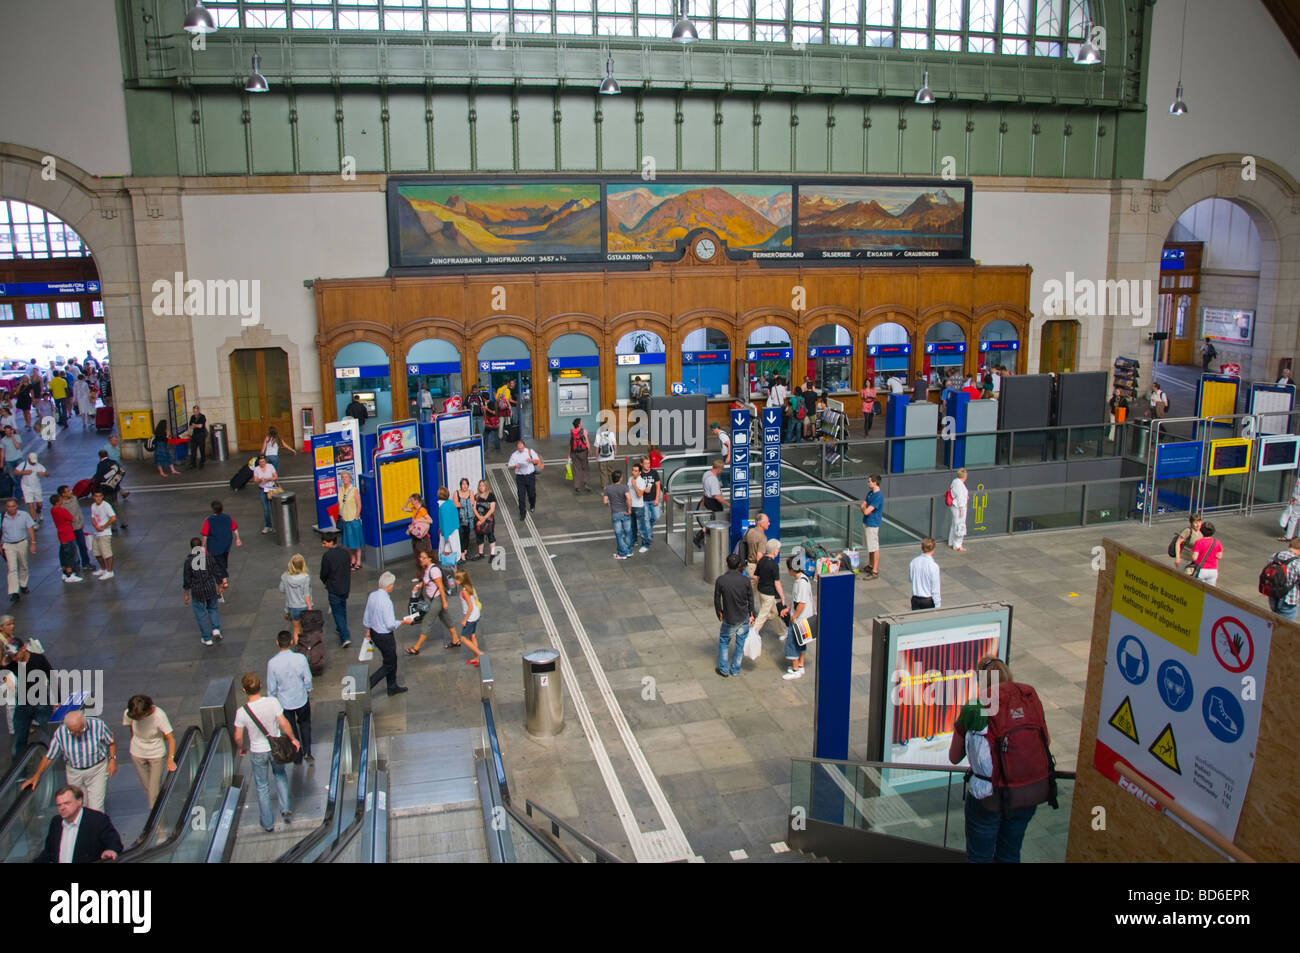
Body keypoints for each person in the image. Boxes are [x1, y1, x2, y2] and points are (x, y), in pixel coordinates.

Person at [948, 656, 1046, 863]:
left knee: (979, 857)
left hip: (989, 796)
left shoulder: (976, 707)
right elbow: (1046, 740)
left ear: (981, 680)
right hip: (1027, 793)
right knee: (1009, 855)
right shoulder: (1029, 696)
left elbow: (954, 757)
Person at [232, 672, 300, 831]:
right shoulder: (272, 702)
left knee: (262, 786)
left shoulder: (242, 712)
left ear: (244, 690)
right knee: (280, 774)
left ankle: (268, 823)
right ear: (260, 686)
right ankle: (285, 809)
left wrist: (242, 748)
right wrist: (292, 739)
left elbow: (237, 736)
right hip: (276, 747)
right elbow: (283, 723)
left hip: (257, 751)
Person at [20, 710, 118, 813]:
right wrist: (36, 776)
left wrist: (112, 760)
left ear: (84, 723)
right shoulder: (60, 733)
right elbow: (49, 756)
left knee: (96, 808)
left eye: (80, 730)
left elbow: (111, 741)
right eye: (73, 732)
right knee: (78, 806)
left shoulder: (98, 725)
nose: (77, 734)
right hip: (74, 773)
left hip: (97, 769)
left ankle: (96, 826)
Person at [35, 785, 123, 863]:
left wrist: (111, 850)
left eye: (67, 803)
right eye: (59, 805)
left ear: (79, 801)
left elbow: (114, 842)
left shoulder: (97, 820)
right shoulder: (56, 822)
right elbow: (49, 852)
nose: (62, 808)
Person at [363, 572, 416, 697]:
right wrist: (404, 621)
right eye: (392, 584)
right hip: (385, 636)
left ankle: (392, 686)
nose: (393, 586)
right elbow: (390, 624)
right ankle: (368, 685)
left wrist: (368, 629)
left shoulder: (372, 596)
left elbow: (367, 616)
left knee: (391, 659)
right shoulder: (386, 602)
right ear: (389, 586)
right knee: (389, 664)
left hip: (375, 633)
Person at [267, 630, 314, 765]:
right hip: (301, 697)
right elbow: (307, 678)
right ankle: (308, 752)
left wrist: (272, 699)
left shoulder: (272, 663)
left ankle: (297, 755)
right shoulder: (300, 658)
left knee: (290, 728)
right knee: (305, 725)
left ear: (277, 643)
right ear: (291, 642)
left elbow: (271, 686)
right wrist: (308, 689)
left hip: (284, 701)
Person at [122, 695, 176, 806]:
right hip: (137, 752)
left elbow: (171, 738)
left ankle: (157, 822)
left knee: (153, 792)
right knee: (148, 789)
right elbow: (131, 727)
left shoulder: (159, 715)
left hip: (156, 754)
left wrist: (171, 759)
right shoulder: (130, 712)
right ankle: (161, 816)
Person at [406, 549, 462, 655]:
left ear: (430, 559)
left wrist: (444, 602)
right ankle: (455, 639)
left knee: (427, 622)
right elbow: (427, 580)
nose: (420, 560)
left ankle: (416, 648)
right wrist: (420, 585)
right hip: (433, 598)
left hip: (438, 599)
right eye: (420, 557)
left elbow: (440, 586)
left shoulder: (434, 570)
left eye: (423, 558)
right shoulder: (427, 568)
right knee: (445, 617)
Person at [3, 637, 52, 758]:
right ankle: (19, 773)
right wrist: (5, 661)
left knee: (53, 735)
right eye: (12, 656)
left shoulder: (38, 659)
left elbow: (52, 677)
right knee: (19, 740)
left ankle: (60, 761)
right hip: (22, 705)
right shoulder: (12, 663)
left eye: (16, 654)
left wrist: (58, 700)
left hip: (41, 703)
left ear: (24, 647)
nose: (15, 658)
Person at [713, 553, 756, 678]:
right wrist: (751, 613)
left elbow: (717, 599)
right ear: (739, 566)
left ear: (727, 564)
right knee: (740, 644)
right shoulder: (745, 580)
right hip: (743, 616)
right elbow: (750, 598)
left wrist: (719, 612)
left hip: (729, 616)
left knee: (724, 641)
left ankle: (724, 669)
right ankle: (735, 669)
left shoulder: (721, 580)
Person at [183, 537, 223, 645]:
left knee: (201, 614)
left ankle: (207, 638)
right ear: (202, 546)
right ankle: (216, 629)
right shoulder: (209, 558)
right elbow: (217, 572)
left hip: (197, 591)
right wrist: (220, 585)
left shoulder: (188, 561)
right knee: (212, 608)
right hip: (210, 588)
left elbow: (187, 579)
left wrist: (186, 594)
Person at [782, 555, 816, 680]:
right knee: (802, 642)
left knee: (792, 643)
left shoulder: (800, 583)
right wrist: (789, 608)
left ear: (792, 569)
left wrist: (794, 616)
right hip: (804, 618)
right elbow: (798, 601)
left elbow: (801, 604)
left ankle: (795, 669)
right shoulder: (804, 579)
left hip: (799, 620)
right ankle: (801, 665)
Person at [319, 532, 353, 648]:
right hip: (345, 586)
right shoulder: (345, 553)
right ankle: (340, 627)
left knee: (337, 612)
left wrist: (325, 581)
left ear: (330, 542)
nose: (323, 545)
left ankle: (345, 636)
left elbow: (324, 573)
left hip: (333, 588)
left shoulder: (327, 557)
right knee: (342, 608)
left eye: (324, 543)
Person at [1, 496, 36, 603]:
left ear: (17, 506)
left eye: (13, 506)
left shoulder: (24, 515)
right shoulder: (2, 517)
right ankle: (14, 592)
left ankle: (23, 584)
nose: (11, 508)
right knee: (12, 569)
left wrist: (33, 542)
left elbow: (30, 528)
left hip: (22, 543)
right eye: (9, 507)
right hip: (8, 544)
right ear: (6, 507)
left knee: (23, 565)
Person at [201, 500, 239, 594]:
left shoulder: (209, 520)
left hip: (214, 546)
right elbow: (234, 528)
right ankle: (224, 579)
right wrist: (238, 538)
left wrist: (202, 546)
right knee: (223, 560)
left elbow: (204, 534)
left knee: (218, 563)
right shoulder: (227, 517)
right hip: (226, 543)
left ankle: (224, 580)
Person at [751, 539, 786, 636]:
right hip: (769, 594)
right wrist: (782, 597)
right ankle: (752, 634)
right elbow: (777, 583)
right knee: (763, 615)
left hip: (761, 591)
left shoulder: (761, 560)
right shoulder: (774, 565)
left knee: (774, 612)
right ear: (775, 551)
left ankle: (781, 632)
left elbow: (756, 576)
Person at [453, 570, 485, 666]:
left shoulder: (464, 591)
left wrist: (464, 619)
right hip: (476, 614)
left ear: (461, 580)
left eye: (456, 579)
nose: (455, 580)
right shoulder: (469, 587)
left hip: (471, 617)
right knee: (472, 636)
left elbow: (470, 607)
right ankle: (476, 658)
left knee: (463, 638)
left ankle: (480, 654)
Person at [56, 485, 91, 574]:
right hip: (69, 529)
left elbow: (79, 510)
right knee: (72, 548)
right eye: (67, 491)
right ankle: (75, 565)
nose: (70, 492)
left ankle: (86, 563)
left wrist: (81, 521)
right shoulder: (61, 504)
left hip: (78, 526)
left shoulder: (74, 499)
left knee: (82, 545)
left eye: (69, 490)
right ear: (62, 494)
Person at [693, 459, 727, 548]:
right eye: (721, 469)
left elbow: (704, 488)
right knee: (718, 519)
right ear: (718, 469)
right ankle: (702, 536)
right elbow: (717, 496)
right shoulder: (713, 480)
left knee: (714, 520)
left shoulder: (706, 474)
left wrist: (704, 499)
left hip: (707, 499)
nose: (722, 471)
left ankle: (701, 535)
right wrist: (728, 504)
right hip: (713, 502)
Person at [279, 554, 313, 641]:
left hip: (292, 607)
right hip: (304, 606)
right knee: (307, 629)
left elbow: (281, 589)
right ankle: (307, 647)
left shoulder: (285, 576)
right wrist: (310, 607)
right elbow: (306, 594)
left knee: (296, 629)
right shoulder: (306, 577)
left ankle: (298, 647)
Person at [1265, 537, 1300, 622]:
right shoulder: (1297, 563)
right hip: (1288, 600)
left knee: (1275, 621)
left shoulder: (1275, 556)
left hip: (1273, 596)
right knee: (1286, 628)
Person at [50, 494, 82, 583]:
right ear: (57, 502)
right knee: (70, 554)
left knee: (63, 554)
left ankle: (64, 572)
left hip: (61, 535)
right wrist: (69, 521)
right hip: (68, 534)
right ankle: (69, 573)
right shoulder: (62, 510)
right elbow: (73, 519)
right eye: (60, 499)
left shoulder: (53, 510)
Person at [603, 468, 634, 560]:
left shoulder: (607, 488)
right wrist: (629, 509)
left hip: (615, 513)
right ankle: (628, 551)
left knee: (618, 534)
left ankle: (622, 553)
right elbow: (628, 498)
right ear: (620, 478)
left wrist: (609, 504)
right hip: (625, 512)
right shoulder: (624, 487)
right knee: (628, 532)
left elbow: (605, 501)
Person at [508, 439, 542, 521]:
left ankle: (532, 504)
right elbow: (509, 466)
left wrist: (531, 460)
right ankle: (522, 513)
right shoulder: (514, 455)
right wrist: (515, 466)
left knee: (531, 493)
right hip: (520, 477)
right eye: (519, 448)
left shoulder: (530, 451)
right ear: (517, 447)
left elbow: (537, 461)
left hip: (530, 476)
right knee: (521, 496)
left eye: (522, 448)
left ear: (524, 446)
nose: (520, 450)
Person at [337, 470, 363, 569]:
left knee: (356, 541)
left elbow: (359, 504)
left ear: (350, 478)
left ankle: (358, 561)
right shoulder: (340, 490)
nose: (344, 479)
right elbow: (339, 503)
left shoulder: (354, 490)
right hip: (345, 519)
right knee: (348, 542)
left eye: (346, 477)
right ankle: (352, 559)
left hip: (353, 519)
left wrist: (356, 516)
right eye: (342, 477)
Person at [859, 474, 884, 579]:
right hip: (866, 522)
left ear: (875, 482)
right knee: (870, 546)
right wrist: (865, 510)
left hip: (872, 524)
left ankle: (875, 571)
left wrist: (865, 510)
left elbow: (867, 510)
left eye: (869, 481)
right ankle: (870, 565)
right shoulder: (870, 493)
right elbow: (863, 507)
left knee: (874, 546)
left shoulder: (878, 496)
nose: (868, 483)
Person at [89, 488, 116, 579]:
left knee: (107, 553)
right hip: (96, 533)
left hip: (105, 533)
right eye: (96, 496)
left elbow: (113, 518)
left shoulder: (106, 506)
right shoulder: (93, 506)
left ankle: (110, 571)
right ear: (93, 497)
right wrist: (95, 526)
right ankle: (103, 569)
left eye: (100, 496)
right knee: (97, 553)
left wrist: (104, 526)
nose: (98, 498)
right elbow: (92, 517)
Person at [908, 537, 942, 609]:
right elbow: (935, 588)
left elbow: (911, 579)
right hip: (927, 601)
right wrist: (938, 605)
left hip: (915, 599)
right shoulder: (933, 566)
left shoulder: (914, 561)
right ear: (933, 549)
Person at [743, 513, 770, 598]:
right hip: (755, 567)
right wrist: (762, 572)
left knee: (749, 592)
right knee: (753, 594)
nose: (769, 523)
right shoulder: (762, 537)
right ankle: (749, 610)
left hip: (748, 565)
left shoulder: (749, 531)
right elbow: (759, 556)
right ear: (761, 524)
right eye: (768, 522)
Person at [16, 451, 47, 525]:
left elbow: (47, 473)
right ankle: (34, 521)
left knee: (40, 504)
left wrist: (44, 473)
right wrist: (23, 472)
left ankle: (38, 511)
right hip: (26, 487)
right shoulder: (23, 464)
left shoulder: (39, 465)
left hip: (37, 487)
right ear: (28, 459)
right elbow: (15, 472)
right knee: (30, 504)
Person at [251, 453, 279, 534]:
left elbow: (275, 476)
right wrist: (260, 480)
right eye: (260, 462)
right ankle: (268, 526)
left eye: (263, 461)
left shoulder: (270, 466)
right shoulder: (256, 469)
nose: (262, 463)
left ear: (265, 461)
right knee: (266, 509)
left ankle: (277, 526)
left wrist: (269, 479)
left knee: (274, 508)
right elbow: (255, 480)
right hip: (262, 490)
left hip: (271, 489)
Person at [471, 479, 498, 561]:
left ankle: (492, 554)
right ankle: (480, 553)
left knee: (490, 535)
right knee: (479, 536)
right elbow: (474, 508)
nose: (481, 487)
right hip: (478, 519)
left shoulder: (491, 495)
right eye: (480, 485)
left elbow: (492, 509)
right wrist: (479, 518)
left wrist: (483, 519)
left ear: (486, 486)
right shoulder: (477, 496)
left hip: (488, 520)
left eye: (483, 485)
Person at [639, 454, 662, 548]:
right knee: (646, 519)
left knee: (656, 516)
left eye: (649, 463)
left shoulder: (654, 473)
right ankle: (649, 537)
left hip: (653, 499)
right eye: (646, 464)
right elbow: (634, 487)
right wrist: (643, 490)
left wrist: (657, 498)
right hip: (643, 500)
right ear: (641, 464)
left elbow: (658, 486)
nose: (648, 465)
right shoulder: (639, 474)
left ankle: (648, 529)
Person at [403, 493, 434, 559]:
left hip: (422, 536)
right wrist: (407, 501)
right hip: (415, 534)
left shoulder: (422, 510)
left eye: (412, 500)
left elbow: (430, 520)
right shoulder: (414, 509)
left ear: (416, 501)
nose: (411, 502)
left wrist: (419, 520)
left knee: (422, 553)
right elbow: (404, 508)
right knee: (417, 553)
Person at [436, 486, 462, 565]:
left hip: (447, 533)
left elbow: (445, 522)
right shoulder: (451, 503)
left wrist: (446, 537)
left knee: (447, 553)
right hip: (455, 531)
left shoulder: (442, 507)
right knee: (455, 552)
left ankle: (449, 571)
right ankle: (455, 568)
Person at [627, 462, 650, 554]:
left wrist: (634, 485)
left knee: (641, 527)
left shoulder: (641, 481)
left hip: (639, 507)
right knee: (632, 526)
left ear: (640, 472)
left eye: (636, 471)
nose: (633, 472)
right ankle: (634, 541)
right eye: (633, 470)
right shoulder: (629, 479)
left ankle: (645, 544)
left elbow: (640, 494)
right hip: (631, 506)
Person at [947, 468, 969, 552]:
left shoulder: (955, 481)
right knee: (960, 525)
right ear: (965, 476)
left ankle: (951, 542)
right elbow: (960, 497)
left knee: (954, 524)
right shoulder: (960, 485)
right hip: (959, 507)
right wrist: (961, 509)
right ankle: (957, 545)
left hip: (954, 506)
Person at [452, 477, 475, 553]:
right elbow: (456, 504)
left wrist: (462, 503)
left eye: (466, 484)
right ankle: (461, 551)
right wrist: (465, 503)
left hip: (468, 517)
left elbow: (472, 503)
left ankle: (465, 550)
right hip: (460, 517)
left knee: (467, 534)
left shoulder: (471, 492)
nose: (464, 486)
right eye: (463, 484)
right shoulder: (456, 493)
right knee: (460, 534)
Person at [569, 418, 591, 493]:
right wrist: (589, 450)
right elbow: (587, 441)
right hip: (583, 452)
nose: (582, 423)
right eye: (581, 422)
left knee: (576, 469)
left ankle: (577, 486)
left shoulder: (572, 432)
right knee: (585, 468)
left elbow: (570, 443)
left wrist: (569, 454)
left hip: (574, 452)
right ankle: (586, 483)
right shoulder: (584, 431)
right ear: (579, 424)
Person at [595, 423, 617, 487]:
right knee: (610, 471)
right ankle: (612, 485)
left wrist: (596, 456)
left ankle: (604, 487)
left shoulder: (598, 435)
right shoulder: (611, 434)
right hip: (610, 456)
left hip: (601, 457)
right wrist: (615, 451)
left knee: (603, 472)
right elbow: (614, 444)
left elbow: (597, 447)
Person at [187, 405, 208, 470]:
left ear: (198, 411)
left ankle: (202, 462)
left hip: (201, 435)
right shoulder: (192, 417)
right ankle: (193, 464)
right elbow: (190, 426)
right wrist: (195, 425)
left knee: (202, 449)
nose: (195, 413)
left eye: (196, 411)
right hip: (194, 435)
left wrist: (195, 425)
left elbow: (201, 426)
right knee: (193, 450)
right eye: (194, 411)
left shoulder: (202, 417)